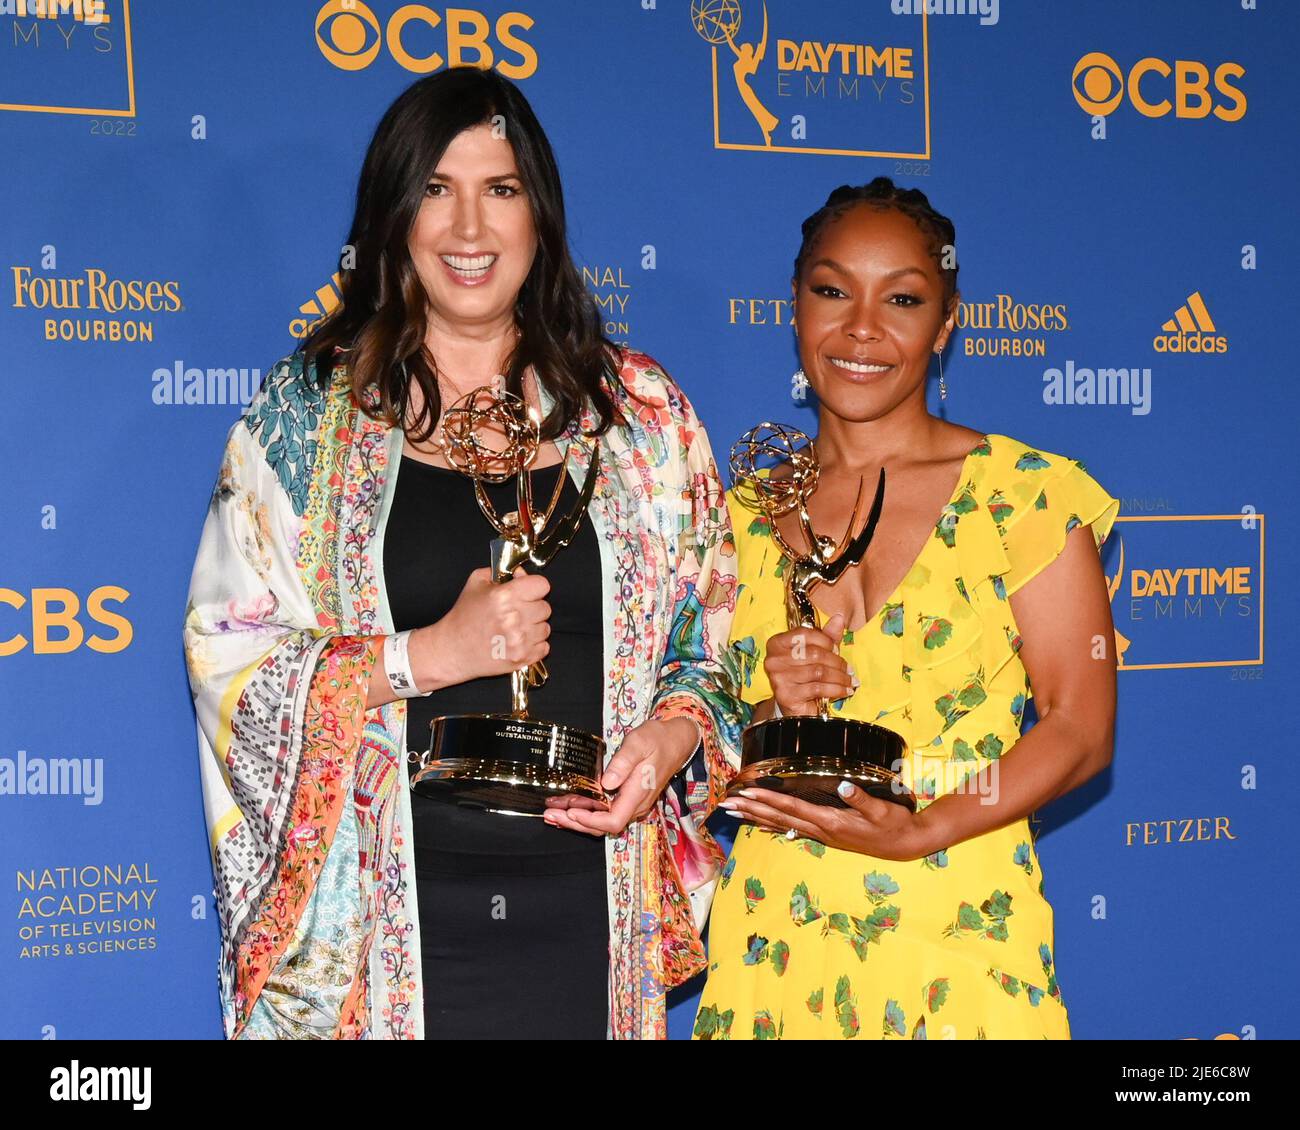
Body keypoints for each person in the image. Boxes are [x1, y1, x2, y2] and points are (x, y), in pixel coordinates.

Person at [182, 66, 743, 1041]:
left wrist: (670, 740)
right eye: (437, 189)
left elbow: (713, 644)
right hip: (381, 933)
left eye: (501, 189)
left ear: (542, 215)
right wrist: (424, 655)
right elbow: (228, 656)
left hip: (589, 914)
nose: (469, 228)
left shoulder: (644, 420)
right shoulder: (303, 419)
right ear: (395, 215)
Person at [693, 178, 1119, 1040]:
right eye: (831, 290)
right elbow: (716, 740)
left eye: (903, 299)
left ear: (948, 321)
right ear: (795, 306)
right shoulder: (733, 515)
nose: (861, 328)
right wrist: (779, 706)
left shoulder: (1024, 495)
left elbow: (1079, 728)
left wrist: (925, 828)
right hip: (778, 939)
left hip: (959, 935)